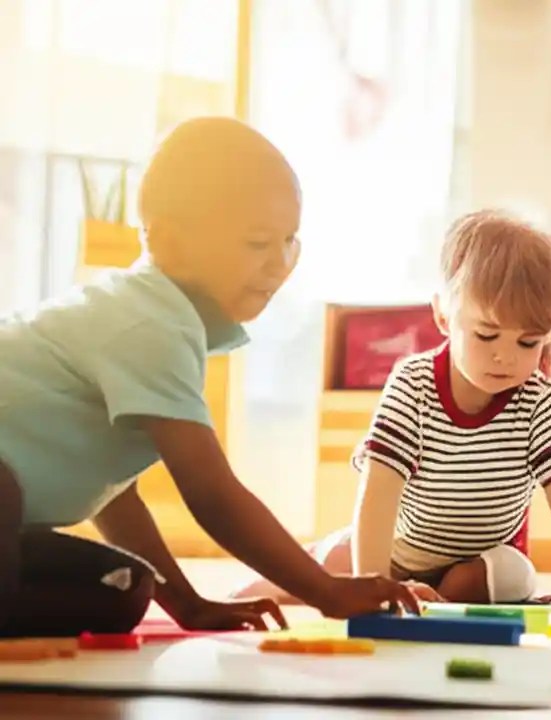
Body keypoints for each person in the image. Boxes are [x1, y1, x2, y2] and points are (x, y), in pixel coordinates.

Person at [0, 117, 418, 638]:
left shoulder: (162, 321)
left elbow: (114, 492)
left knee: (126, 588)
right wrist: (325, 590)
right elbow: (211, 492)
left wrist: (187, 604)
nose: (280, 263)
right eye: (258, 243)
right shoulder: (147, 324)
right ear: (171, 245)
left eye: (290, 240)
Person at [234, 211, 551, 606]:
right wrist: (376, 584)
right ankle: (270, 588)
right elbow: (377, 495)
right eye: (486, 335)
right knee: (313, 576)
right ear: (442, 315)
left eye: (529, 343)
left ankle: (437, 598)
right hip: (397, 550)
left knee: (509, 575)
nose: (505, 357)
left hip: (479, 561)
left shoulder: (538, 403)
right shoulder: (414, 385)